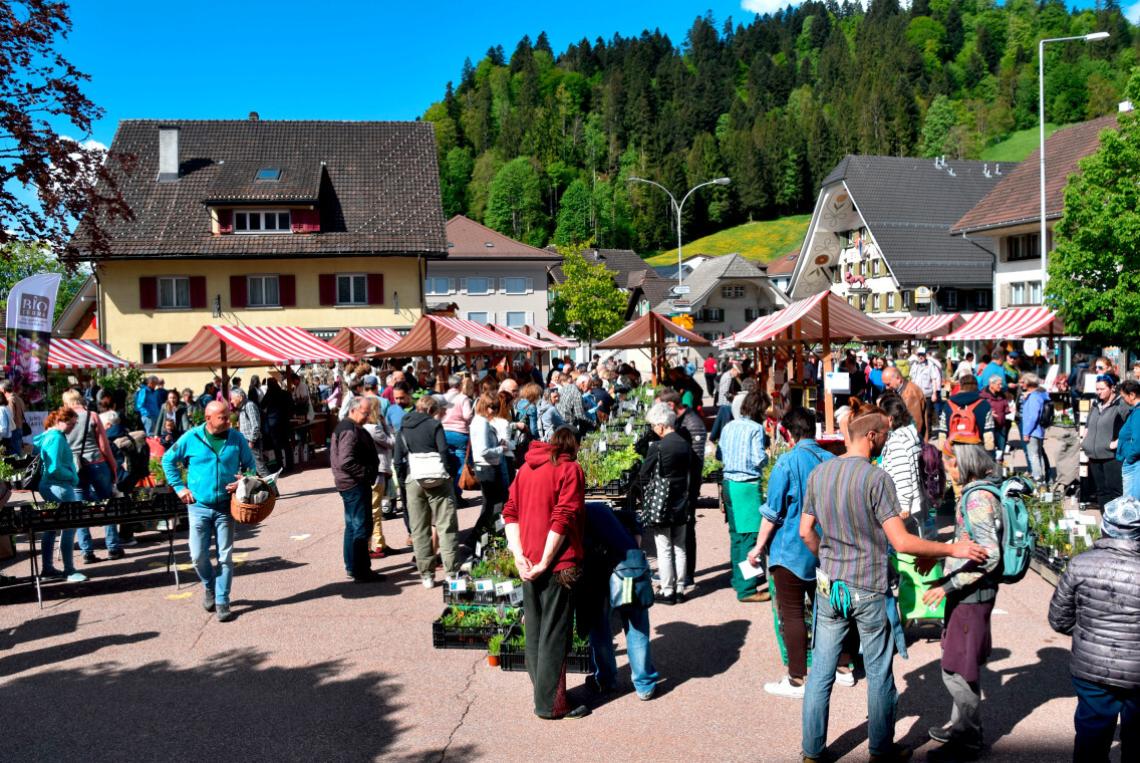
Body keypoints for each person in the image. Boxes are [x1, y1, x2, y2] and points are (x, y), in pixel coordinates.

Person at [798, 404, 989, 762]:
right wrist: (952, 547)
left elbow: (805, 531)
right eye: (884, 436)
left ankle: (812, 751)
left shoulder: (820, 473)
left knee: (820, 672)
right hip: (867, 583)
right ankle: (880, 749)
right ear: (871, 436)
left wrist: (827, 558)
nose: (886, 442)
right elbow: (901, 542)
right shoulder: (876, 478)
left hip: (829, 584)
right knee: (879, 671)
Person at [922, 434, 1005, 761]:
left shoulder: (976, 499)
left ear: (963, 461)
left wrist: (946, 587)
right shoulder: (981, 491)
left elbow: (990, 556)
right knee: (962, 664)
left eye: (949, 461)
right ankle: (960, 726)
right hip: (972, 594)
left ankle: (967, 740)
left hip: (972, 595)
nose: (945, 467)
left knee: (957, 670)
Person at [503, 426, 590, 720]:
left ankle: (546, 693)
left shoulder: (526, 469)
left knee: (537, 631)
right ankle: (551, 704)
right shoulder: (570, 469)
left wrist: (519, 557)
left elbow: (510, 513)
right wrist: (544, 560)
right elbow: (563, 518)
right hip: (557, 563)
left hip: (528, 561)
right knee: (554, 634)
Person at [748, 407, 834, 698]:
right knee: (830, 610)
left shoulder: (787, 462)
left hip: (792, 550)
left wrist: (758, 547)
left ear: (789, 433)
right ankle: (843, 666)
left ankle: (797, 678)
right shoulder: (831, 459)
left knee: (794, 614)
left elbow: (772, 511)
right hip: (827, 546)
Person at [1048, 495, 1140, 762]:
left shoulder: (1080, 564)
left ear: (1106, 526)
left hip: (1092, 669)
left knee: (1091, 735)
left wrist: (1089, 633)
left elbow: (1059, 619)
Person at [163, 400, 256, 620]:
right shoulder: (192, 437)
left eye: (228, 416)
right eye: (222, 417)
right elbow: (168, 460)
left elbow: (251, 467)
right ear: (208, 419)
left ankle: (223, 600)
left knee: (225, 556)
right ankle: (209, 586)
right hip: (198, 507)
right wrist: (179, 488)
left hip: (226, 506)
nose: (228, 421)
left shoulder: (236, 438)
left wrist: (244, 480)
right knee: (197, 556)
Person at [581, 499, 660, 701]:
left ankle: (606, 680)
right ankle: (644, 684)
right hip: (627, 571)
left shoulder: (571, 518)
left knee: (599, 627)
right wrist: (633, 546)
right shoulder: (597, 507)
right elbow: (633, 518)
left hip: (596, 576)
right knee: (635, 623)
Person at [393, 395, 460, 587]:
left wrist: (403, 482)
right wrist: (449, 472)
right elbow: (444, 451)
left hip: (414, 478)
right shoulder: (434, 425)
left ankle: (427, 575)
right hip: (438, 477)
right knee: (446, 526)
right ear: (432, 410)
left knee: (419, 529)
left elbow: (398, 460)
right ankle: (451, 572)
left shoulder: (403, 427)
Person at [639, 403, 698, 605]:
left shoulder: (658, 447)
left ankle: (667, 590)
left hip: (662, 504)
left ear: (662, 425)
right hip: (682, 500)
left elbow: (644, 474)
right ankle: (681, 588)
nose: (654, 430)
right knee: (680, 545)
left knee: (663, 547)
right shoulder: (685, 444)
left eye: (654, 426)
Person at [719, 390, 770, 603]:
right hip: (746, 487)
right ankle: (748, 589)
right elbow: (758, 459)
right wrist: (767, 459)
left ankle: (739, 579)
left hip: (728, 484)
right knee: (750, 538)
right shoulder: (756, 429)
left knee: (736, 537)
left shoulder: (729, 426)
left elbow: (721, 451)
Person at [63, 389, 122, 562]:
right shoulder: (92, 416)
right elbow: (104, 447)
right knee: (107, 504)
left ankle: (87, 551)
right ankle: (113, 548)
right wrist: (113, 468)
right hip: (96, 464)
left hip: (75, 468)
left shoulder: (62, 418)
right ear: (80, 399)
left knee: (80, 509)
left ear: (66, 402)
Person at [330, 396, 383, 583]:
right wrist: (366, 473)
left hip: (349, 483)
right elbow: (346, 461)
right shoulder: (349, 430)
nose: (367, 416)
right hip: (353, 484)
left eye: (369, 413)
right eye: (365, 412)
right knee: (360, 527)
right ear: (353, 410)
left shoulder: (346, 426)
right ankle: (361, 570)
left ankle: (353, 567)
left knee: (353, 526)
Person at [34, 407, 88, 582]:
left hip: (52, 486)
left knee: (51, 528)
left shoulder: (51, 436)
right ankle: (69, 570)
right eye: (70, 424)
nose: (72, 428)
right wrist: (73, 476)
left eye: (74, 424)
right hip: (59, 486)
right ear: (59, 421)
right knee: (68, 527)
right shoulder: (56, 438)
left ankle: (48, 569)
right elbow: (54, 468)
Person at [878, 394, 926, 533]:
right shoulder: (911, 435)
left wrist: (904, 506)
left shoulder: (897, 442)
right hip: (915, 501)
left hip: (903, 506)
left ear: (890, 419)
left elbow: (902, 475)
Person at [1084, 374, 1127, 509]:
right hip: (1094, 454)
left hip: (1110, 456)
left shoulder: (1120, 405)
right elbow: (1088, 424)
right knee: (1101, 491)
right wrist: (1085, 440)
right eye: (1097, 389)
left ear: (1112, 388)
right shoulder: (1096, 404)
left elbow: (1131, 426)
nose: (1099, 392)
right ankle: (1105, 521)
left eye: (1102, 389)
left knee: (1114, 491)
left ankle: (1118, 524)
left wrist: (1118, 442)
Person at [470, 392, 508, 542]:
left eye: (496, 407)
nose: (494, 411)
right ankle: (478, 538)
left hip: (485, 467)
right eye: (492, 407)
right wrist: (501, 449)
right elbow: (483, 451)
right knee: (492, 507)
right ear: (484, 406)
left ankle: (487, 536)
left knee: (491, 506)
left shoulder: (478, 421)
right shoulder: (482, 423)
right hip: (487, 468)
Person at [362, 397, 394, 559]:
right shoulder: (374, 428)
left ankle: (379, 542)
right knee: (375, 510)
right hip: (378, 471)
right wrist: (387, 426)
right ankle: (376, 545)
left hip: (370, 472)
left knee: (373, 509)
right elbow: (391, 442)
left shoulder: (362, 427)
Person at [441, 374, 474, 491]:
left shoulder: (443, 397)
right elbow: (467, 415)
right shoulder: (462, 398)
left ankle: (450, 491)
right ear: (460, 385)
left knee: (449, 463)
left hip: (444, 433)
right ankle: (457, 492)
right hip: (460, 434)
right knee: (460, 464)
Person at [1019, 372, 1051, 484]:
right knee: (1039, 455)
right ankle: (1042, 480)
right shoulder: (1040, 394)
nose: (1021, 384)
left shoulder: (1034, 397)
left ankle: (1038, 481)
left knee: (1034, 457)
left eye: (1023, 382)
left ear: (1028, 383)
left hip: (1033, 431)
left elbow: (1032, 416)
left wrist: (1026, 432)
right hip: (1039, 431)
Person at [230, 388, 268, 477]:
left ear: (240, 397)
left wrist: (252, 441)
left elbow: (256, 425)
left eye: (232, 398)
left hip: (252, 443)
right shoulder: (242, 408)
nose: (231, 401)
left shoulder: (249, 405)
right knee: (252, 470)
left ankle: (273, 490)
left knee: (260, 469)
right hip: (247, 442)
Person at [260, 377, 295, 473]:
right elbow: (292, 406)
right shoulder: (285, 393)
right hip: (285, 423)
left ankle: (280, 467)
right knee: (287, 445)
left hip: (273, 424)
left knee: (277, 447)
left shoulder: (269, 394)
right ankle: (290, 465)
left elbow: (262, 405)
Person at [883, 366, 926, 441]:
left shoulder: (910, 394)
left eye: (888, 384)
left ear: (898, 379)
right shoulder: (900, 389)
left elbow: (916, 423)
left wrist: (909, 442)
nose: (886, 387)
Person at [1116, 380, 1140, 499]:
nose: (1123, 400)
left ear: (1132, 395)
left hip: (1135, 465)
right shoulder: (1136, 411)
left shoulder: (1138, 413)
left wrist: (1128, 456)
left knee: (1131, 507)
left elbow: (1138, 443)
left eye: (1124, 396)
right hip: (1133, 463)